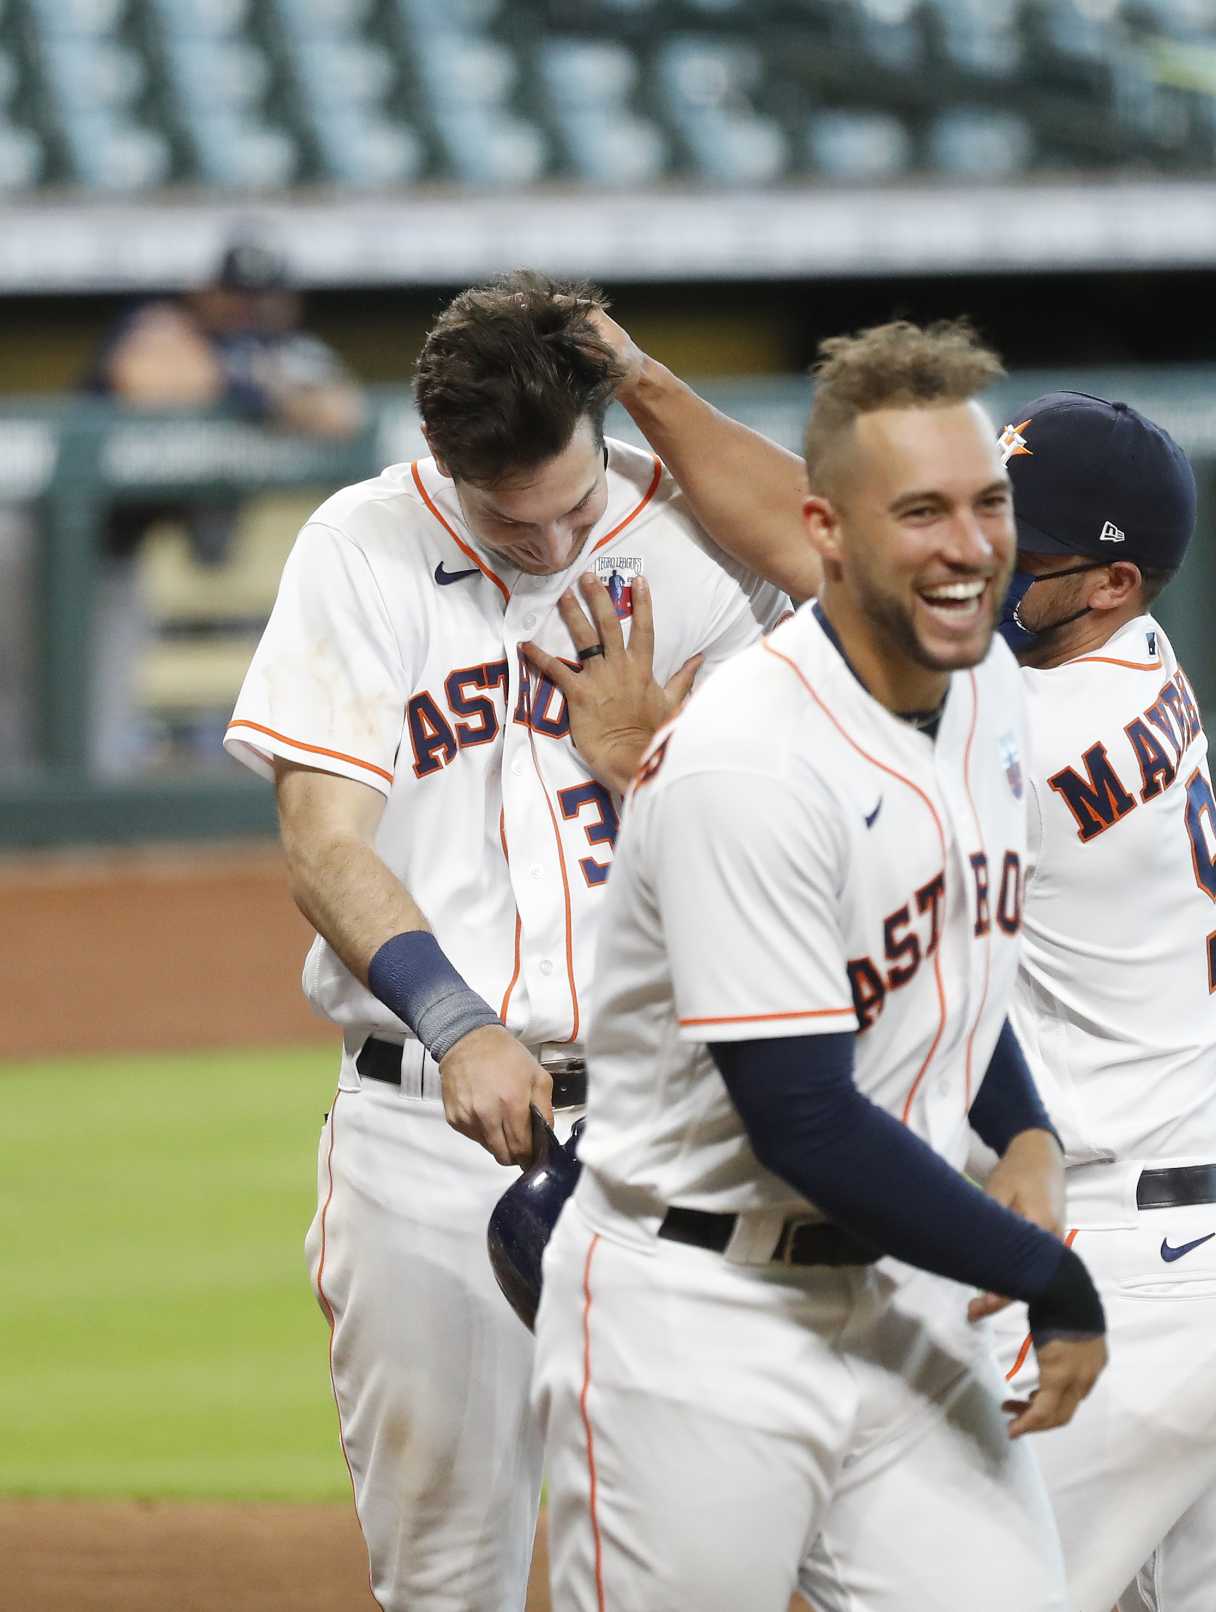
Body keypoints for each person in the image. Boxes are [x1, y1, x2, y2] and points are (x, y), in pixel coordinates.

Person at [224, 271, 795, 1611]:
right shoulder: (359, 548)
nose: (547, 551)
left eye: (574, 510)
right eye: (507, 519)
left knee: (709, 1559)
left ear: (610, 427)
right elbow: (323, 839)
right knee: (448, 1577)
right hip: (431, 1139)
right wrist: (457, 1017)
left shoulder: (704, 537)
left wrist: (656, 751)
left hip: (681, 1132)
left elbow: (845, 607)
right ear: (439, 457)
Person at [532, 320, 1107, 1611]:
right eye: (920, 512)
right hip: (696, 1321)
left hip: (893, 1301)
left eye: (987, 504)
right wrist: (1045, 1273)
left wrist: (1023, 1132)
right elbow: (797, 1115)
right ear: (827, 531)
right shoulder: (754, 755)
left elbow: (952, 953)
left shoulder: (991, 691)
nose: (968, 545)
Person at [957, 391, 1216, 1611]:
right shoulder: (1142, 669)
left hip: (1134, 1288)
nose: (973, 558)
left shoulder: (1029, 733)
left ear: (1112, 583)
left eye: (1013, 547)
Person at [87, 237, 365, 774]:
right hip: (43, 536)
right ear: (206, 293)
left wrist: (260, 381)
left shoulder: (281, 351)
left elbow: (341, 411)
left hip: (116, 552)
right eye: (237, 296)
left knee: (97, 710)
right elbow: (151, 381)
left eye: (264, 297)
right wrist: (258, 387)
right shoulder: (161, 323)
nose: (250, 310)